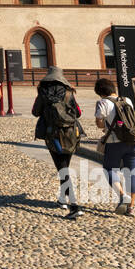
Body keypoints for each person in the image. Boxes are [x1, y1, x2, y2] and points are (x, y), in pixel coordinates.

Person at [32, 66, 83, 219]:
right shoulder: (69, 93)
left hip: (53, 134)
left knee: (62, 169)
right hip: (71, 134)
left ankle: (74, 205)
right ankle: (63, 199)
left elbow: (35, 112)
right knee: (64, 166)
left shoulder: (43, 93)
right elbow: (78, 113)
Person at [94, 77, 135, 215]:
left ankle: (122, 195)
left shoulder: (102, 102)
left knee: (109, 169)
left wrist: (105, 126)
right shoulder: (127, 100)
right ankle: (130, 207)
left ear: (100, 92)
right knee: (131, 172)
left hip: (114, 143)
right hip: (132, 141)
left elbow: (100, 124)